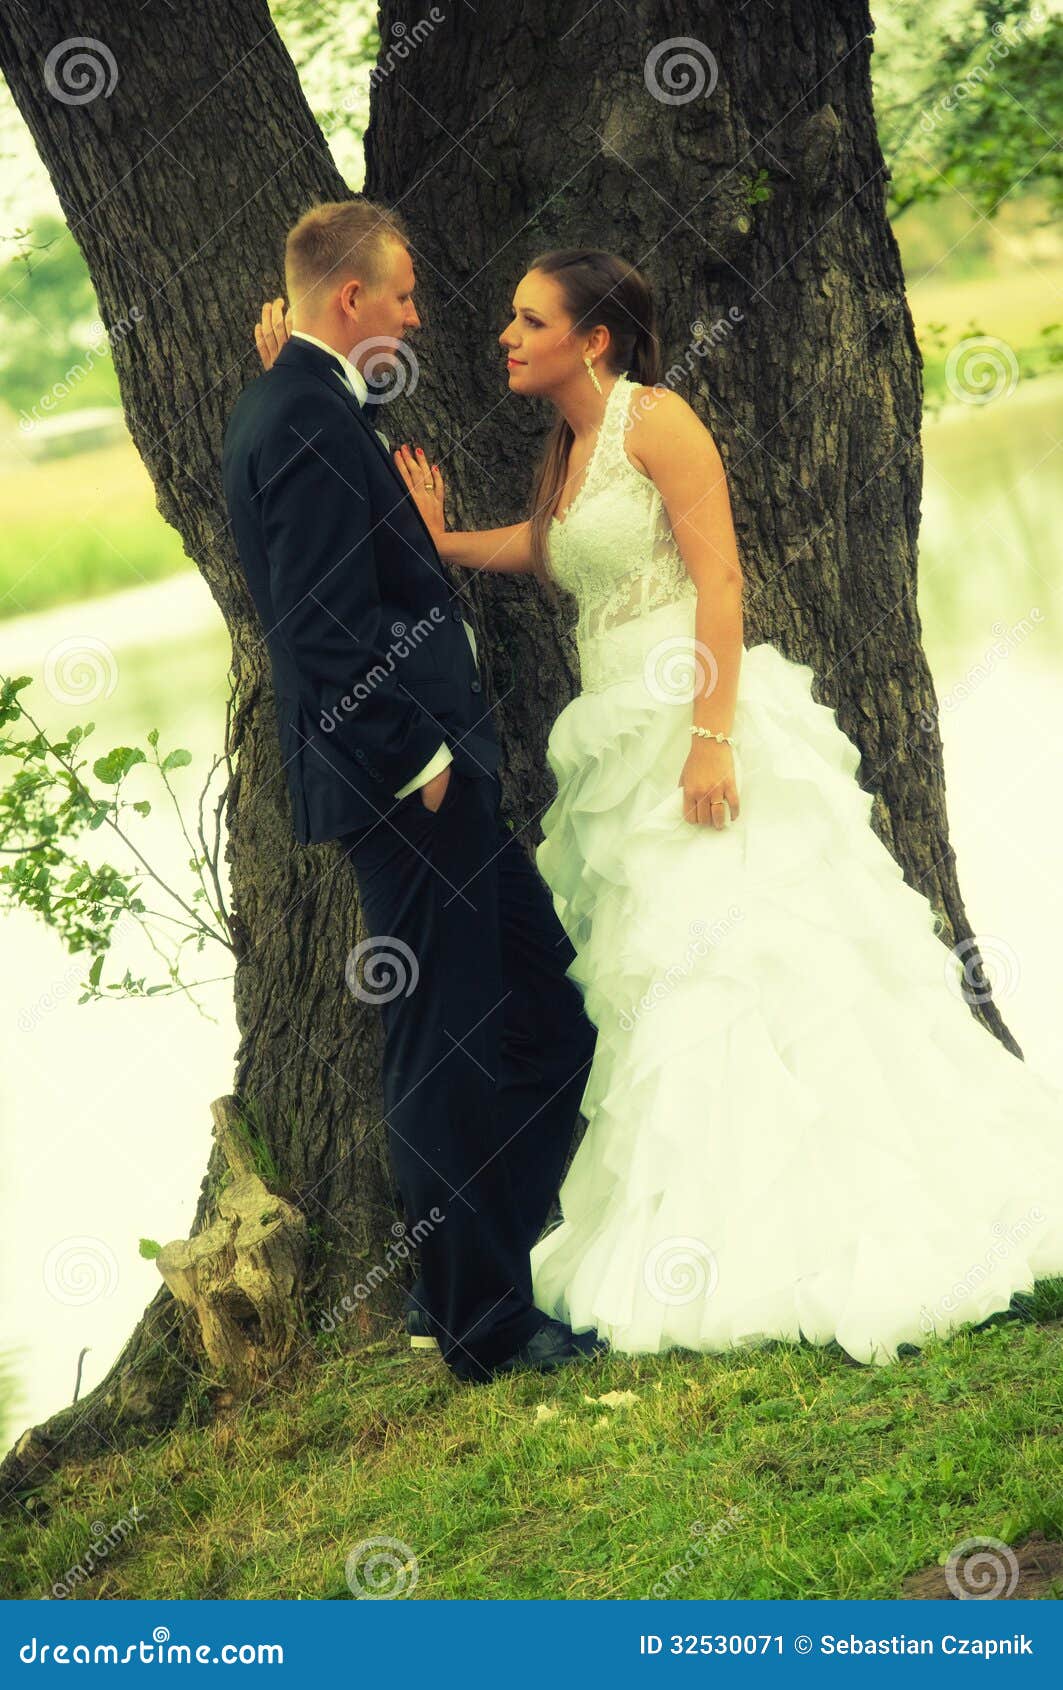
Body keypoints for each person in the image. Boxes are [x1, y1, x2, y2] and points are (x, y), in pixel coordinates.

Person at [385, 245, 1063, 1367]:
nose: (503, 335)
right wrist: (440, 538)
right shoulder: (567, 444)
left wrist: (709, 739)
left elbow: (721, 581)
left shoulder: (658, 420)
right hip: (613, 742)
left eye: (526, 318)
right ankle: (702, 1217)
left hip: (691, 729)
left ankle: (836, 1217)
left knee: (752, 961)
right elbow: (556, 555)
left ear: (589, 338)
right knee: (661, 981)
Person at [224, 201, 605, 1384]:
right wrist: (418, 759)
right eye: (400, 292)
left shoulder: (313, 402)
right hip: (408, 787)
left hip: (438, 778)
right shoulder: (299, 420)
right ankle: (483, 1327)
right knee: (441, 1051)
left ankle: (472, 1278)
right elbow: (318, 628)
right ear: (352, 300)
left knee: (547, 1018)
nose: (419, 311)